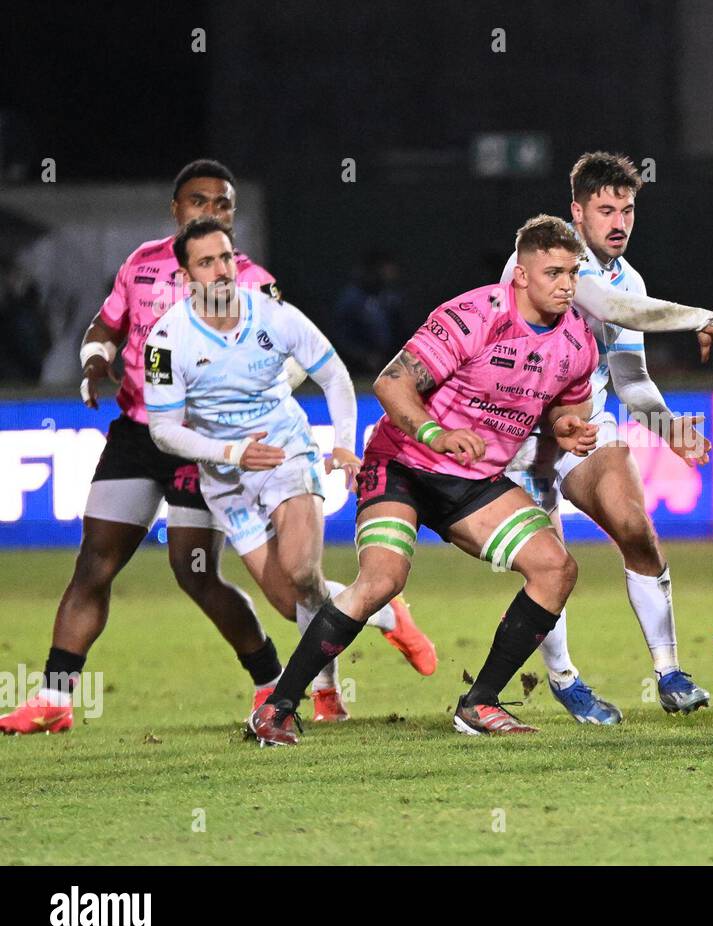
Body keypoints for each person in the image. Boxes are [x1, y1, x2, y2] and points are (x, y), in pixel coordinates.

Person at [248, 215, 601, 744]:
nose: (567, 284)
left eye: (573, 272)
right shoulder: (473, 314)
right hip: (403, 464)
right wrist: (435, 434)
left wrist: (565, 426)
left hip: (474, 480)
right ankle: (277, 707)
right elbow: (391, 383)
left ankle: (479, 704)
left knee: (555, 568)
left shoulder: (577, 340)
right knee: (382, 581)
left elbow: (568, 406)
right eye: (553, 272)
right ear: (521, 276)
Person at [2, 160, 307, 734]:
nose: (211, 212)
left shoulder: (251, 280)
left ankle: (271, 681)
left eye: (223, 204)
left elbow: (289, 355)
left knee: (194, 572)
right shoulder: (141, 263)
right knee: (95, 561)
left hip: (203, 444)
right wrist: (95, 362)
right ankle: (54, 697)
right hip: (138, 434)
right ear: (177, 209)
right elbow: (105, 325)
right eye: (200, 201)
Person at [143, 217, 436, 722]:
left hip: (285, 453)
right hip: (225, 481)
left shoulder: (274, 316)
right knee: (290, 600)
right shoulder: (167, 340)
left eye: (226, 258)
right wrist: (232, 453)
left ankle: (326, 695)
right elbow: (163, 430)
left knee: (302, 571)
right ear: (187, 276)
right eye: (206, 262)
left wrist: (344, 445)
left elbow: (335, 377)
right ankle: (386, 611)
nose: (221, 271)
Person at [501, 152, 713, 722]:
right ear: (576, 213)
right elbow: (607, 306)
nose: (619, 222)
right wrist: (698, 317)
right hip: (517, 431)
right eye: (605, 209)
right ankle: (564, 679)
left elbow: (629, 376)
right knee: (551, 565)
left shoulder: (628, 279)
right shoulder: (541, 263)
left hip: (587, 426)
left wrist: (666, 427)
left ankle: (670, 673)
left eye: (628, 209)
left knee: (637, 529)